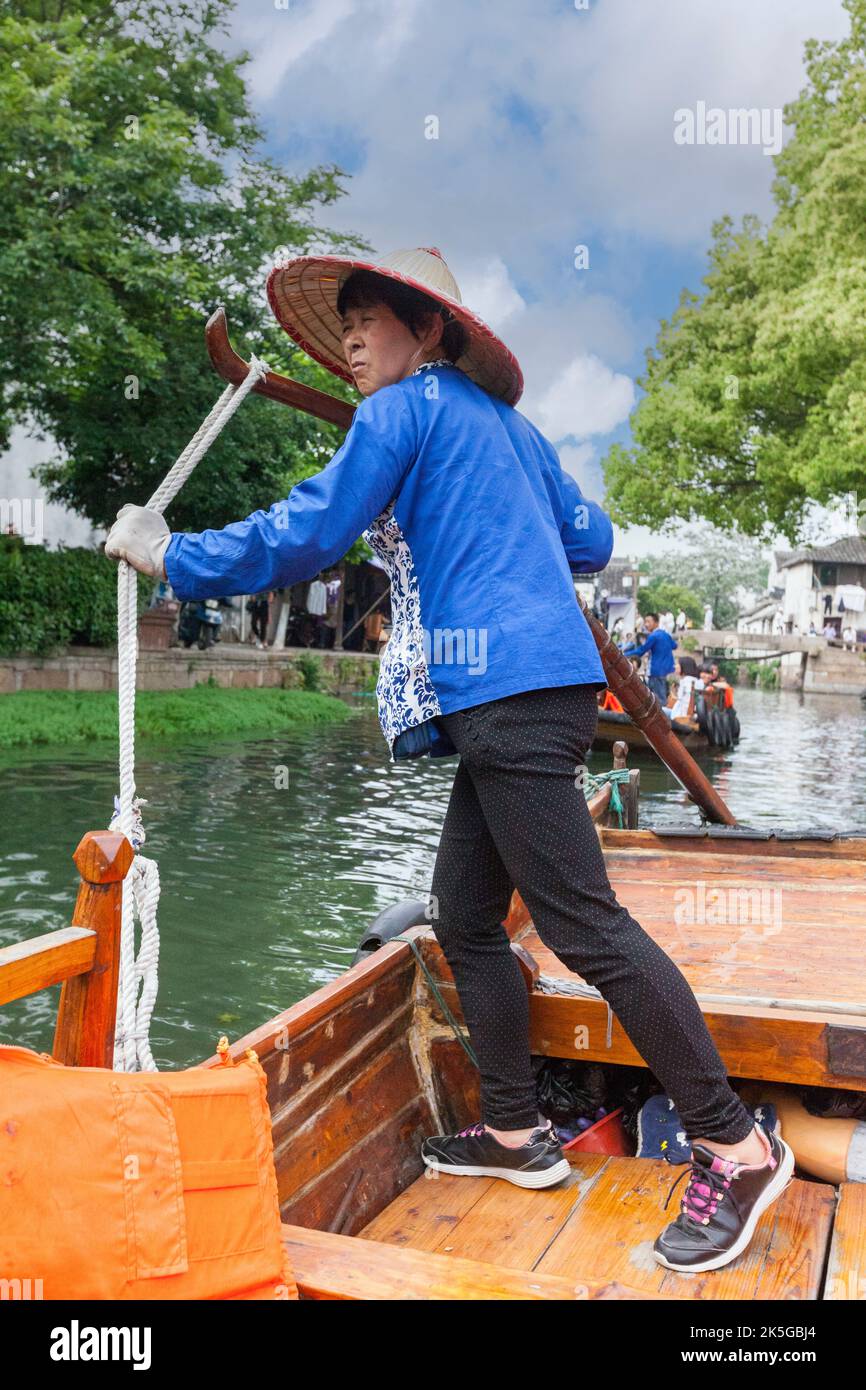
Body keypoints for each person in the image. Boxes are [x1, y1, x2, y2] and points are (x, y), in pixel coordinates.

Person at [105, 244, 792, 1274]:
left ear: (426, 331)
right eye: (340, 326)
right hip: (522, 688)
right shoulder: (508, 429)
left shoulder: (401, 413)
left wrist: (175, 555)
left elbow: (313, 529)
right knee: (466, 916)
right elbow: (590, 538)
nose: (347, 340)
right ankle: (515, 1133)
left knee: (582, 923)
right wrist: (479, 490)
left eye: (367, 319)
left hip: (509, 690)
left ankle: (734, 1145)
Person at [622, 612, 678, 707]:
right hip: (666, 670)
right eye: (645, 622)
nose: (646, 624)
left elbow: (641, 651)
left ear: (656, 622)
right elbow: (674, 646)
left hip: (656, 670)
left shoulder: (653, 636)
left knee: (658, 700)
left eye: (649, 621)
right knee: (663, 697)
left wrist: (624, 654)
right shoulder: (665, 635)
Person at [663, 655, 703, 722]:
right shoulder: (696, 680)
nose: (675, 666)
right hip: (686, 714)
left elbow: (686, 704)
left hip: (681, 716)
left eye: (677, 664)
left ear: (684, 666)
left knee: (658, 710)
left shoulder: (686, 682)